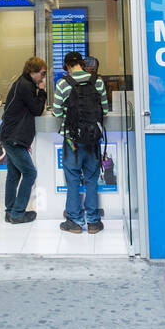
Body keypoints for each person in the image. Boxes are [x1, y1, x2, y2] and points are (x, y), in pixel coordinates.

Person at [52, 51, 110, 233]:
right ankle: (93, 221)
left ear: (68, 66)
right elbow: (105, 110)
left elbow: (56, 112)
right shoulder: (97, 81)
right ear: (82, 64)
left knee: (73, 179)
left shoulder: (63, 83)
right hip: (93, 138)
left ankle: (75, 221)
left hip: (72, 140)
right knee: (92, 178)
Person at [0, 57, 47, 224]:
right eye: (42, 73)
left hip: (10, 136)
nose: (43, 77)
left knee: (13, 174)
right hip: (14, 138)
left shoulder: (23, 83)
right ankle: (18, 213)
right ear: (32, 72)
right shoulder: (26, 86)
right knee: (30, 173)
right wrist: (42, 91)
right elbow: (37, 110)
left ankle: (10, 211)